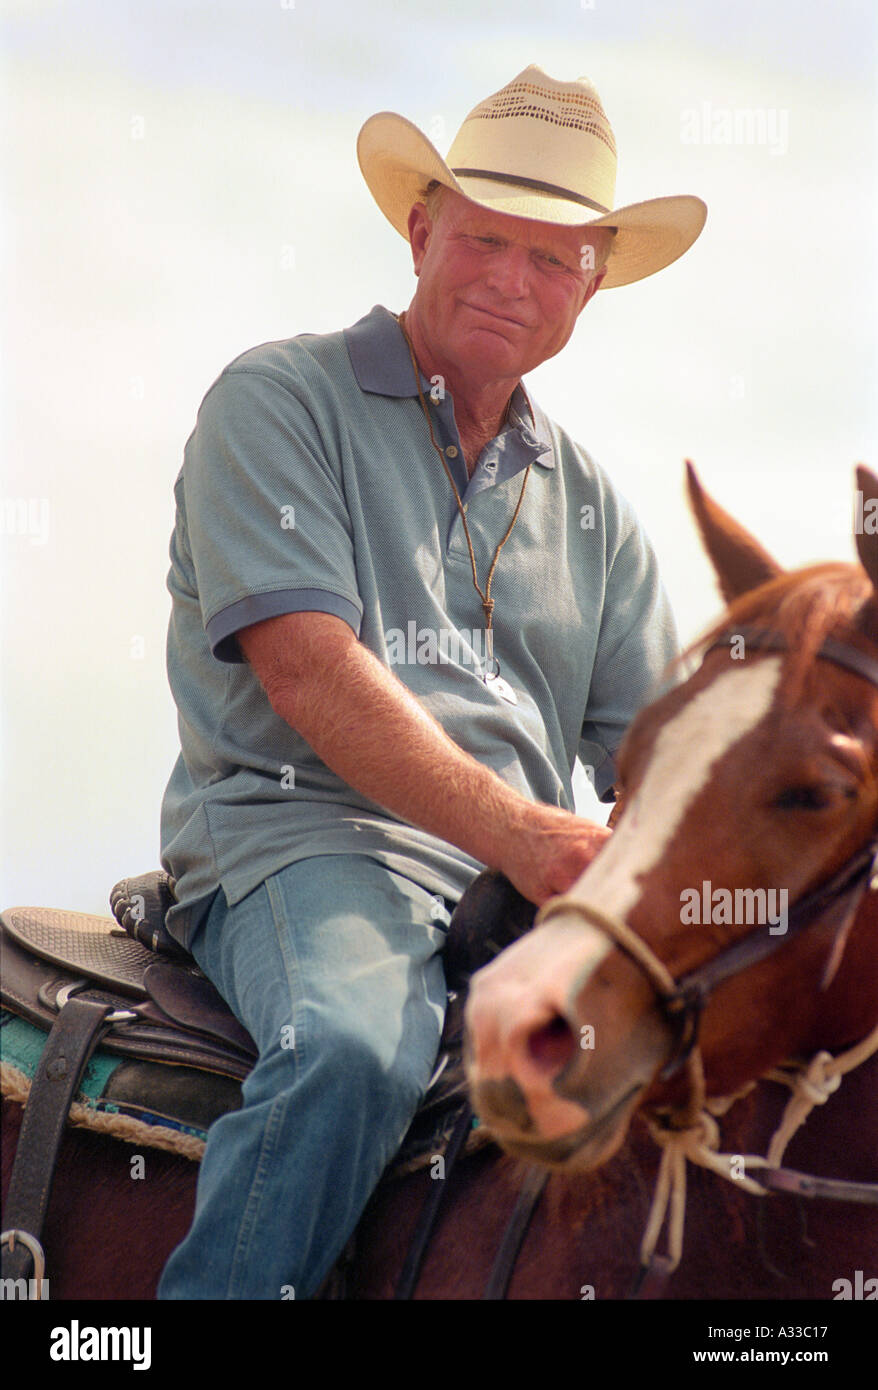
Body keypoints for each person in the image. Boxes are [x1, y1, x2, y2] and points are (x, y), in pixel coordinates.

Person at [156, 63, 706, 1299]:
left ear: (594, 280)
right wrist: (522, 830)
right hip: (306, 837)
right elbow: (306, 669)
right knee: (347, 1048)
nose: (511, 281)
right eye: (484, 239)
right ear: (420, 231)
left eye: (551, 257)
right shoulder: (275, 401)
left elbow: (664, 770)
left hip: (522, 895)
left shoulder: (598, 512)